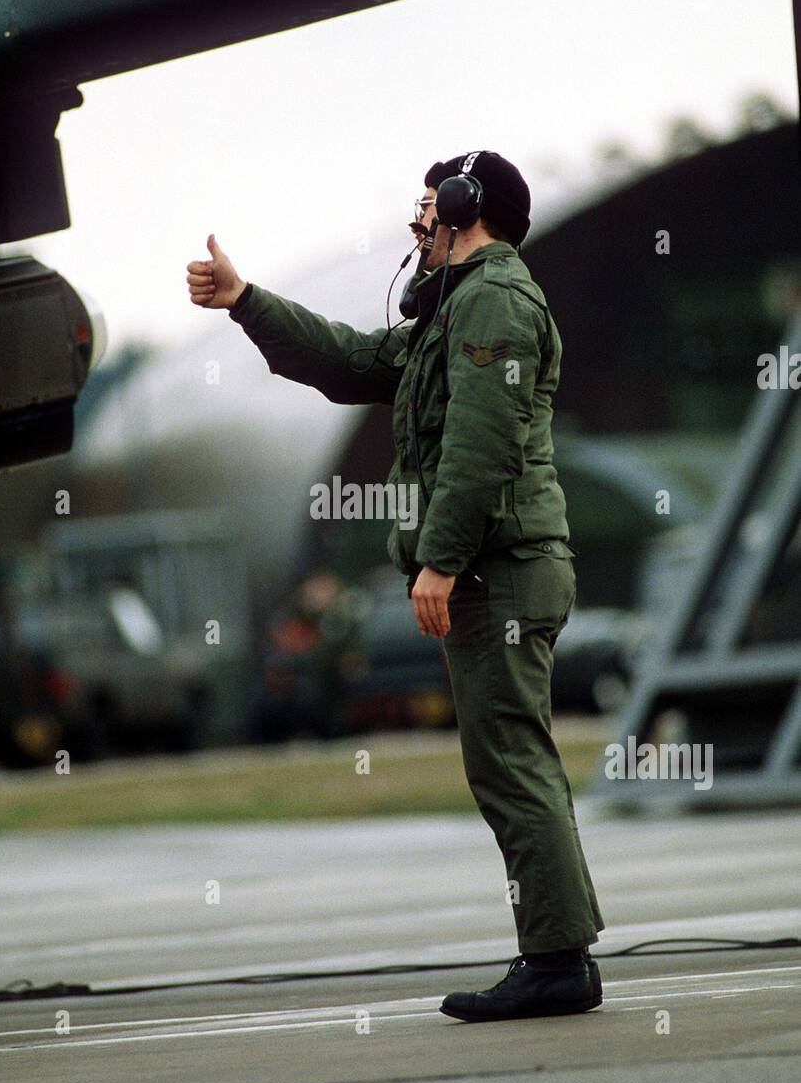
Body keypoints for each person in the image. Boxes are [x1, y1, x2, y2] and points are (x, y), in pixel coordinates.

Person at [186, 150, 606, 1021]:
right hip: (501, 567)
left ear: (462, 207)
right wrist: (247, 302)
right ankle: (559, 953)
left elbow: (483, 443)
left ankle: (558, 962)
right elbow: (352, 362)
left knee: (511, 765)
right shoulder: (454, 310)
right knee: (512, 762)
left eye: (427, 206)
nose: (416, 223)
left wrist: (442, 560)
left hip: (501, 571)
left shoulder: (490, 299)